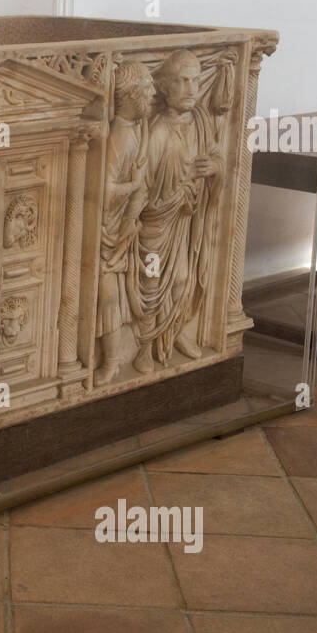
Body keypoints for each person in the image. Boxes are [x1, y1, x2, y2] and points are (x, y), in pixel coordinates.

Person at [133, 50, 222, 372]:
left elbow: (219, 159)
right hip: (157, 225)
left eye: (196, 81)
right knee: (151, 284)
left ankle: (177, 332)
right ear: (165, 87)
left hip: (186, 221)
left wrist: (214, 168)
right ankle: (143, 347)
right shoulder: (156, 132)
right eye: (183, 81)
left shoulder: (200, 122)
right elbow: (142, 184)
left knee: (183, 279)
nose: (192, 89)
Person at [94, 61, 153, 385]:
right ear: (130, 94)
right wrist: (134, 184)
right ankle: (109, 362)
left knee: (113, 296)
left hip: (121, 231)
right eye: (147, 88)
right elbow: (105, 191)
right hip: (105, 233)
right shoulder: (120, 135)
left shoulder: (136, 129)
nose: (153, 93)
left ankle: (115, 361)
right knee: (107, 297)